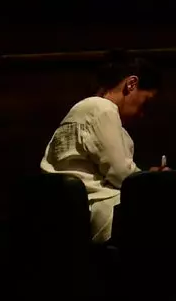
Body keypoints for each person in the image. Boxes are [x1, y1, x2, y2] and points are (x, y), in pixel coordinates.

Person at [38, 54, 162, 243]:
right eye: (146, 102)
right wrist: (152, 179)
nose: (142, 113)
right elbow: (121, 175)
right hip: (101, 209)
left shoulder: (85, 109)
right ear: (131, 84)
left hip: (73, 209)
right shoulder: (101, 108)